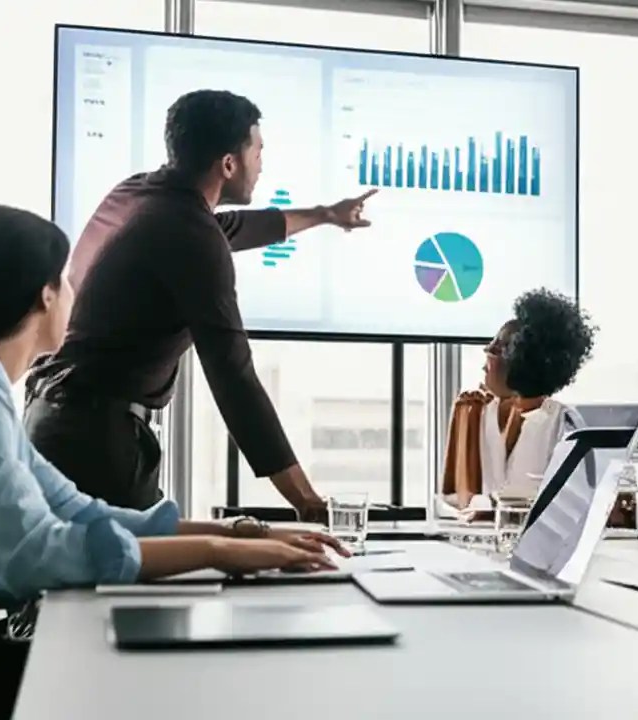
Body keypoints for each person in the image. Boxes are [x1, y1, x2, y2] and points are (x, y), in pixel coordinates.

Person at [0, 205, 344, 719]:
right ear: (46, 295)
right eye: (68, 281)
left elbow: (76, 511)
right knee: (158, 683)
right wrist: (214, 552)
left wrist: (238, 534)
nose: (76, 292)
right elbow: (34, 555)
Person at [24, 89, 377, 518]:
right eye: (258, 151)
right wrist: (305, 500)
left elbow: (231, 226)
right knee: (142, 576)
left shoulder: (140, 192)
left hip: (52, 422)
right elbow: (234, 376)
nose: (262, 163)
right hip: (94, 442)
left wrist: (325, 213)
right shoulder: (189, 234)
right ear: (228, 164)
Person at [441, 288, 596, 511]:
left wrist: (487, 506)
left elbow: (573, 501)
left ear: (520, 359)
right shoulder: (475, 410)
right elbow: (453, 498)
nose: (486, 350)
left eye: (497, 348)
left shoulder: (564, 424)